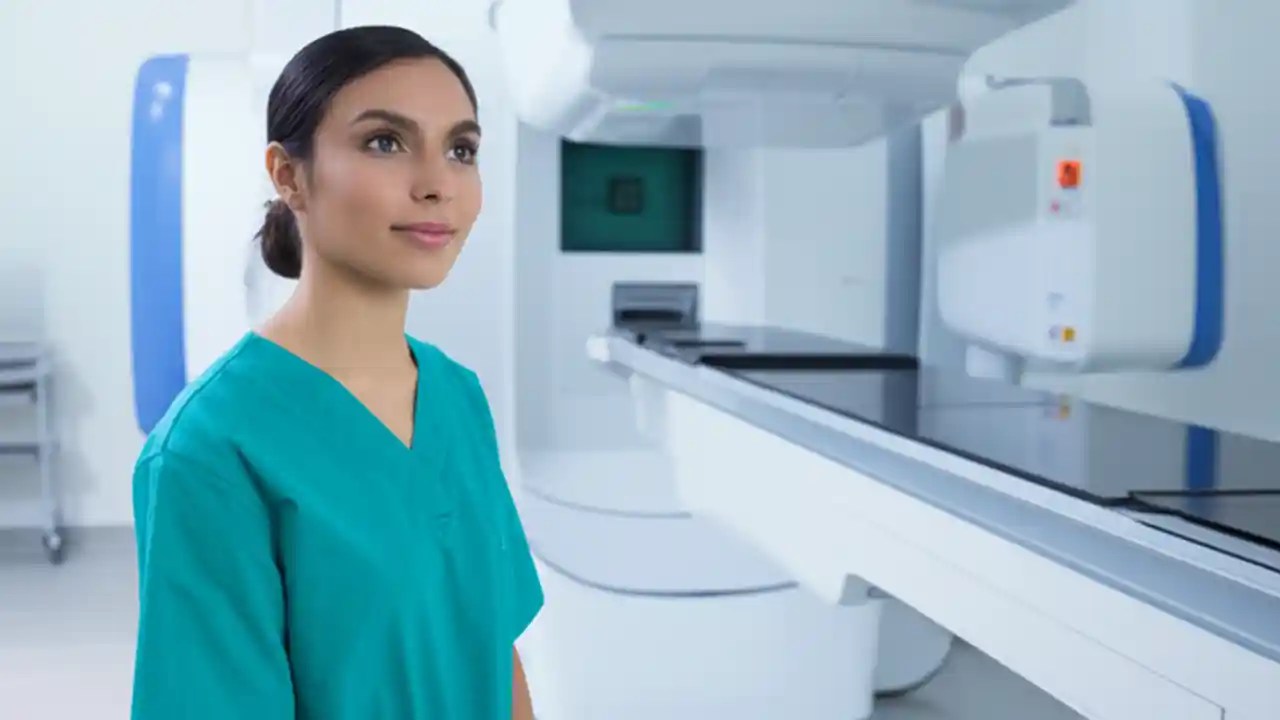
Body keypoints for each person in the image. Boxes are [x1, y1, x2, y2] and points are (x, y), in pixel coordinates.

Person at [129, 25, 543, 719]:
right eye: (385, 142)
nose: (438, 184)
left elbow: (495, 649)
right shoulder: (209, 453)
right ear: (289, 174)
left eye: (461, 150)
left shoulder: (456, 396)